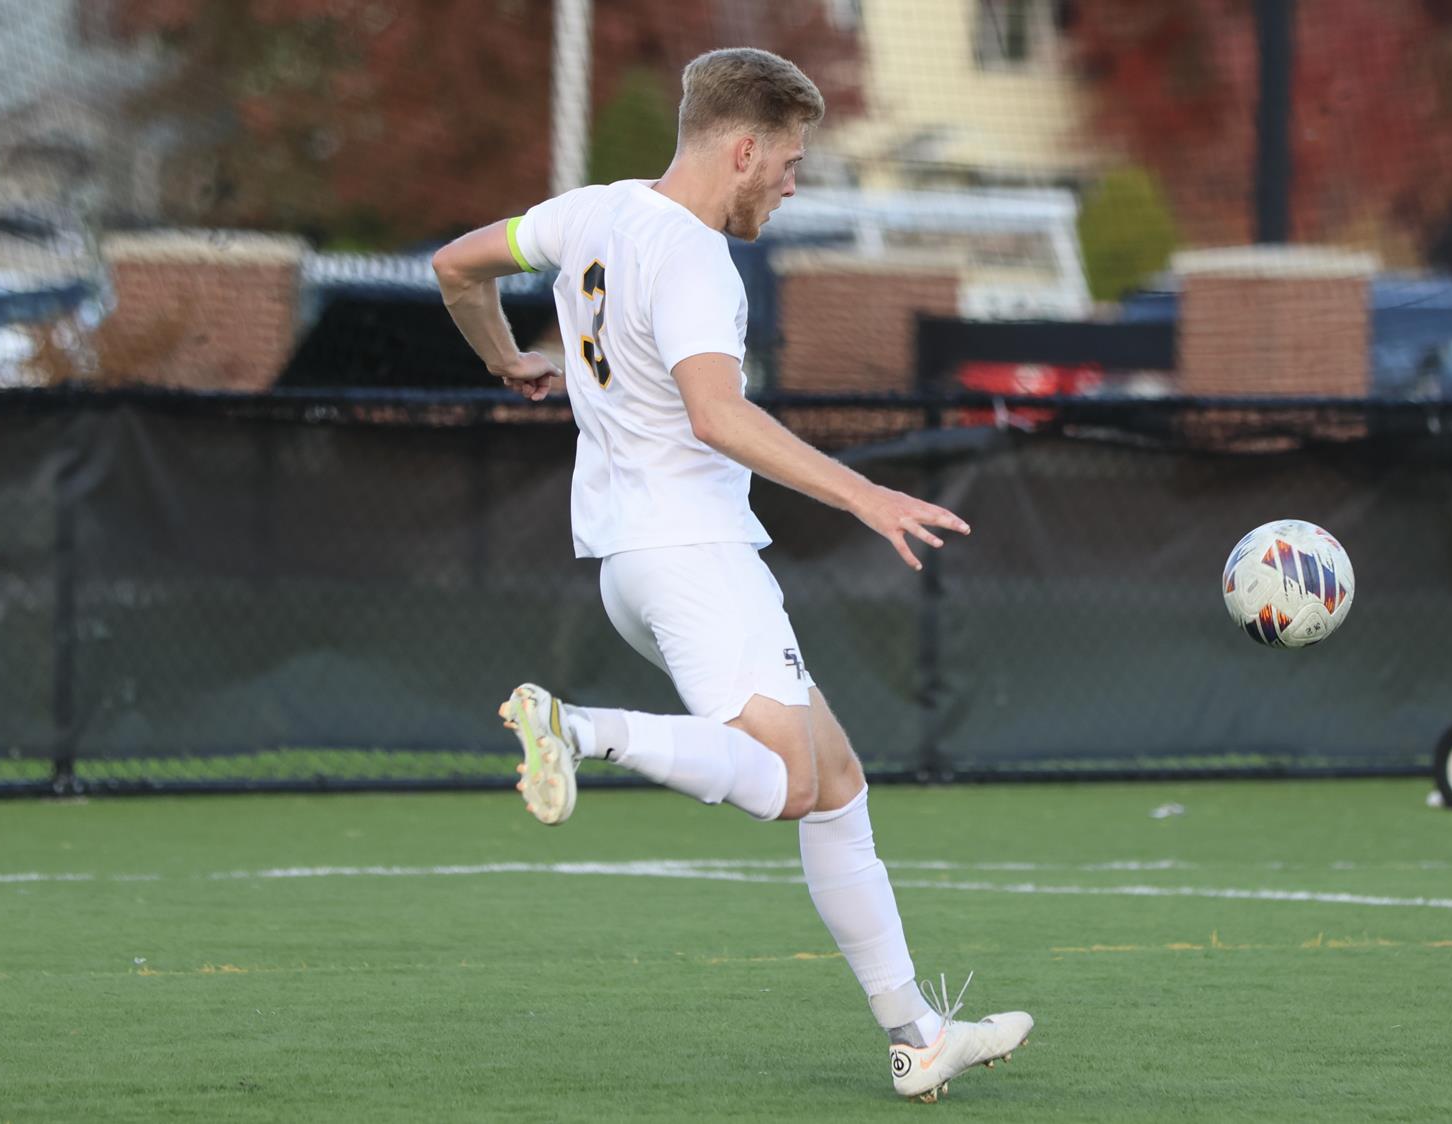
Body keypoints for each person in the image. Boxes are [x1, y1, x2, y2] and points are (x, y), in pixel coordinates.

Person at [432, 46, 1031, 1103]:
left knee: (835, 782)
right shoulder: (699, 258)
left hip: (626, 562)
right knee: (792, 781)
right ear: (742, 148)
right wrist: (868, 495)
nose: (793, 184)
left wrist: (502, 358)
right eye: (790, 163)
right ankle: (576, 728)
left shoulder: (592, 213)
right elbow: (717, 413)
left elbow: (454, 265)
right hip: (695, 556)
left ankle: (915, 1032)